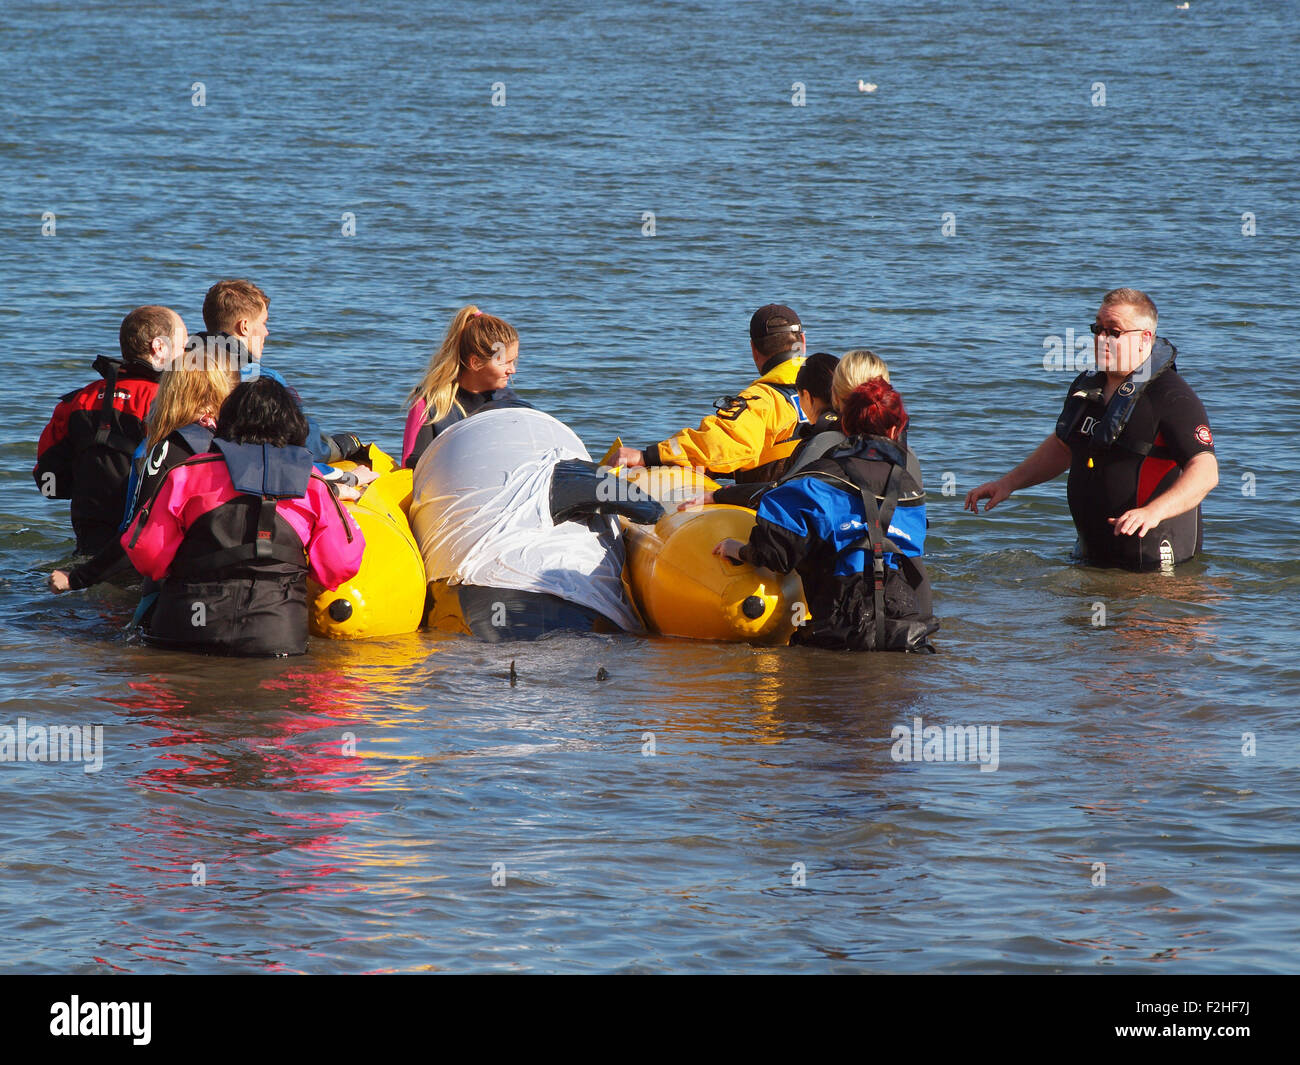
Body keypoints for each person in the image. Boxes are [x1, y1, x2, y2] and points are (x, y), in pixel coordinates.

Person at [964, 288, 1218, 570]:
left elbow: (1205, 472)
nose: (1101, 339)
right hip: (1091, 553)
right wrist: (1007, 484)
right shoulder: (1087, 386)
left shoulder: (1172, 396)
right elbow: (1063, 447)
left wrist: (1152, 512)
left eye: (1114, 332)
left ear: (1145, 338)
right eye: (1098, 328)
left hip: (1153, 559)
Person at [121, 377, 364, 656]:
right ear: (294, 426)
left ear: (226, 422)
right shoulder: (313, 483)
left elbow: (145, 554)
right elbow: (339, 566)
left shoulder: (184, 474)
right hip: (275, 635)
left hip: (185, 626)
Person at [715, 378, 937, 652]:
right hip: (908, 633)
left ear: (845, 424)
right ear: (895, 429)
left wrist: (738, 550)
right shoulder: (911, 490)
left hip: (840, 634)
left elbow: (774, 553)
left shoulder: (815, 482)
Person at [49, 341, 238, 592]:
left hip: (183, 588)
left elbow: (136, 536)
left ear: (173, 392)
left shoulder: (166, 451)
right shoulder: (237, 445)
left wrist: (76, 578)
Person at [34, 305, 186, 555]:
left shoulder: (76, 401)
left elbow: (47, 480)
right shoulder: (171, 401)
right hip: (149, 540)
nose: (186, 354)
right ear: (160, 348)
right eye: (183, 345)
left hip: (90, 534)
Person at [615, 303, 809, 483]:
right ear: (803, 341)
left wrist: (647, 456)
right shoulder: (831, 387)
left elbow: (721, 444)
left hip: (781, 509)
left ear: (753, 350)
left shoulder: (763, 400)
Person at [202, 279, 365, 466]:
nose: (267, 332)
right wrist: (339, 446)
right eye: (263, 323)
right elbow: (302, 438)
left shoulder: (183, 369)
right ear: (244, 326)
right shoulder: (264, 380)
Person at [402, 305, 521, 469]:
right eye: (505, 363)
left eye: (513, 361)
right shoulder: (430, 405)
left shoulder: (510, 403)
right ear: (476, 363)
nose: (512, 370)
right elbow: (409, 465)